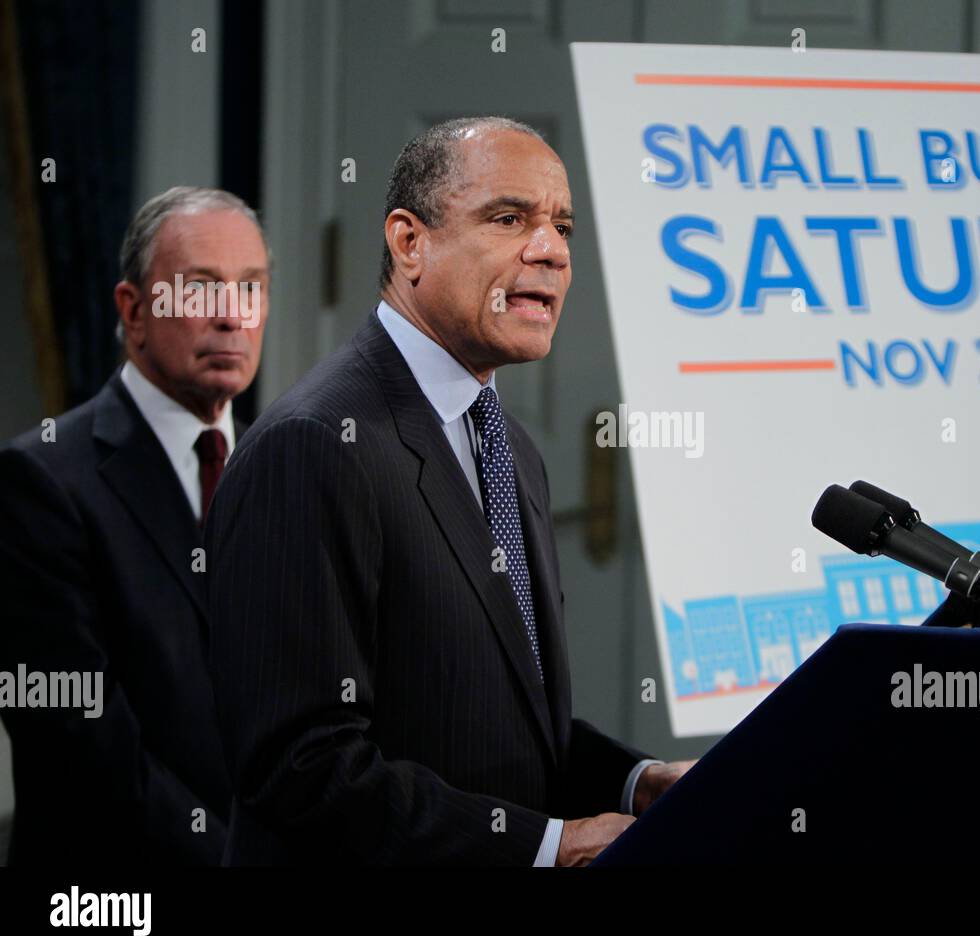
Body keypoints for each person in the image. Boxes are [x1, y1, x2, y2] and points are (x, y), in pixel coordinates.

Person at [204, 117, 693, 866]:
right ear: (410, 243)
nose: (551, 250)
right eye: (509, 218)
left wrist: (633, 782)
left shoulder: (508, 446)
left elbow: (499, 722)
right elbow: (300, 770)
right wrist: (549, 845)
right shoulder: (314, 446)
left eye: (562, 226)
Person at [0, 186, 269, 864]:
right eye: (200, 288)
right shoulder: (40, 481)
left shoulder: (294, 470)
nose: (232, 317)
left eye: (250, 288)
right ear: (134, 310)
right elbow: (80, 743)